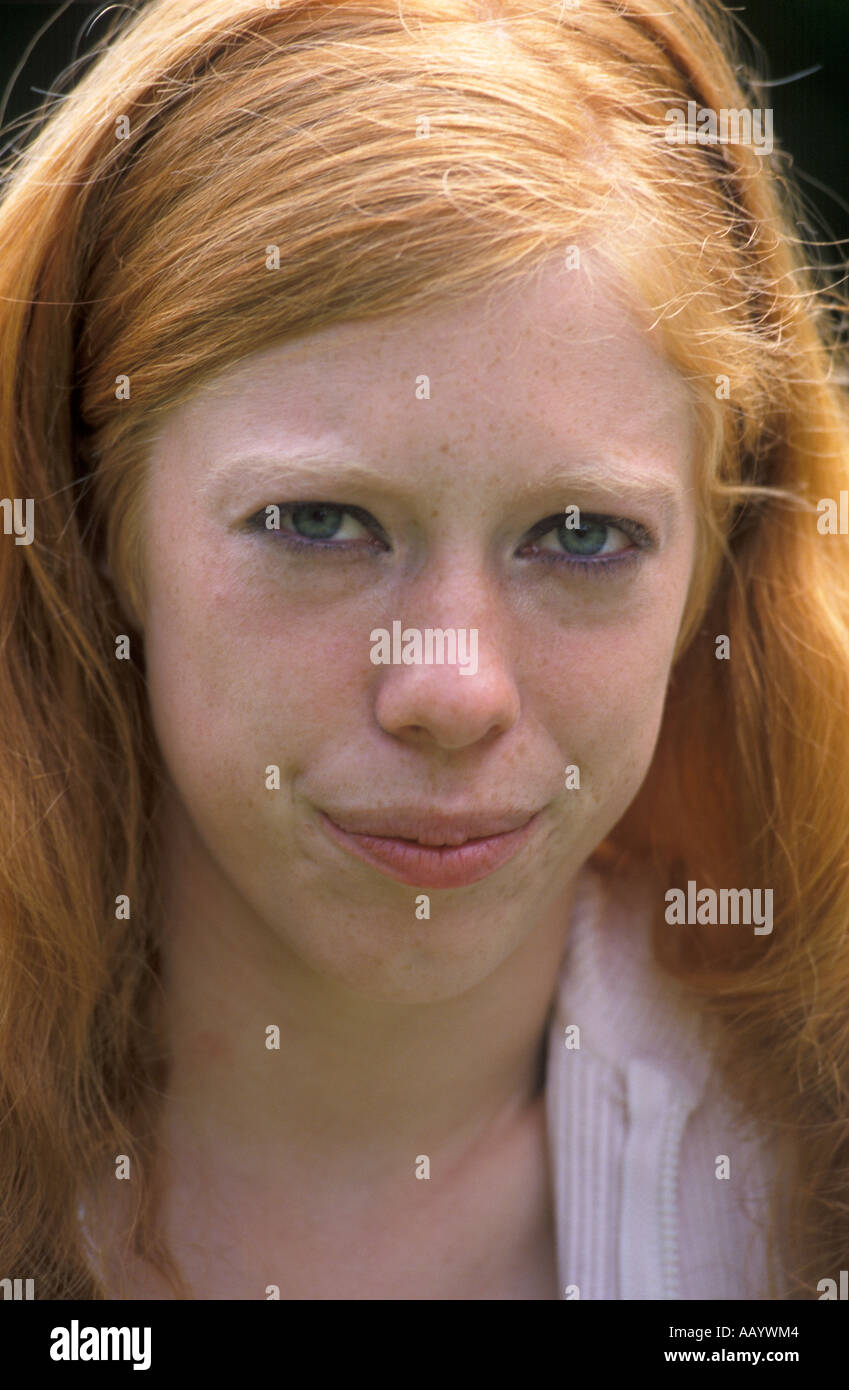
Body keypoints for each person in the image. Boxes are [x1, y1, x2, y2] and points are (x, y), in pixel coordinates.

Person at [1, 0, 847, 1301]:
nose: (452, 688)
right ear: (95, 524)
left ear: (715, 571)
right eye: (319, 522)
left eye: (578, 535)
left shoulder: (804, 1187)